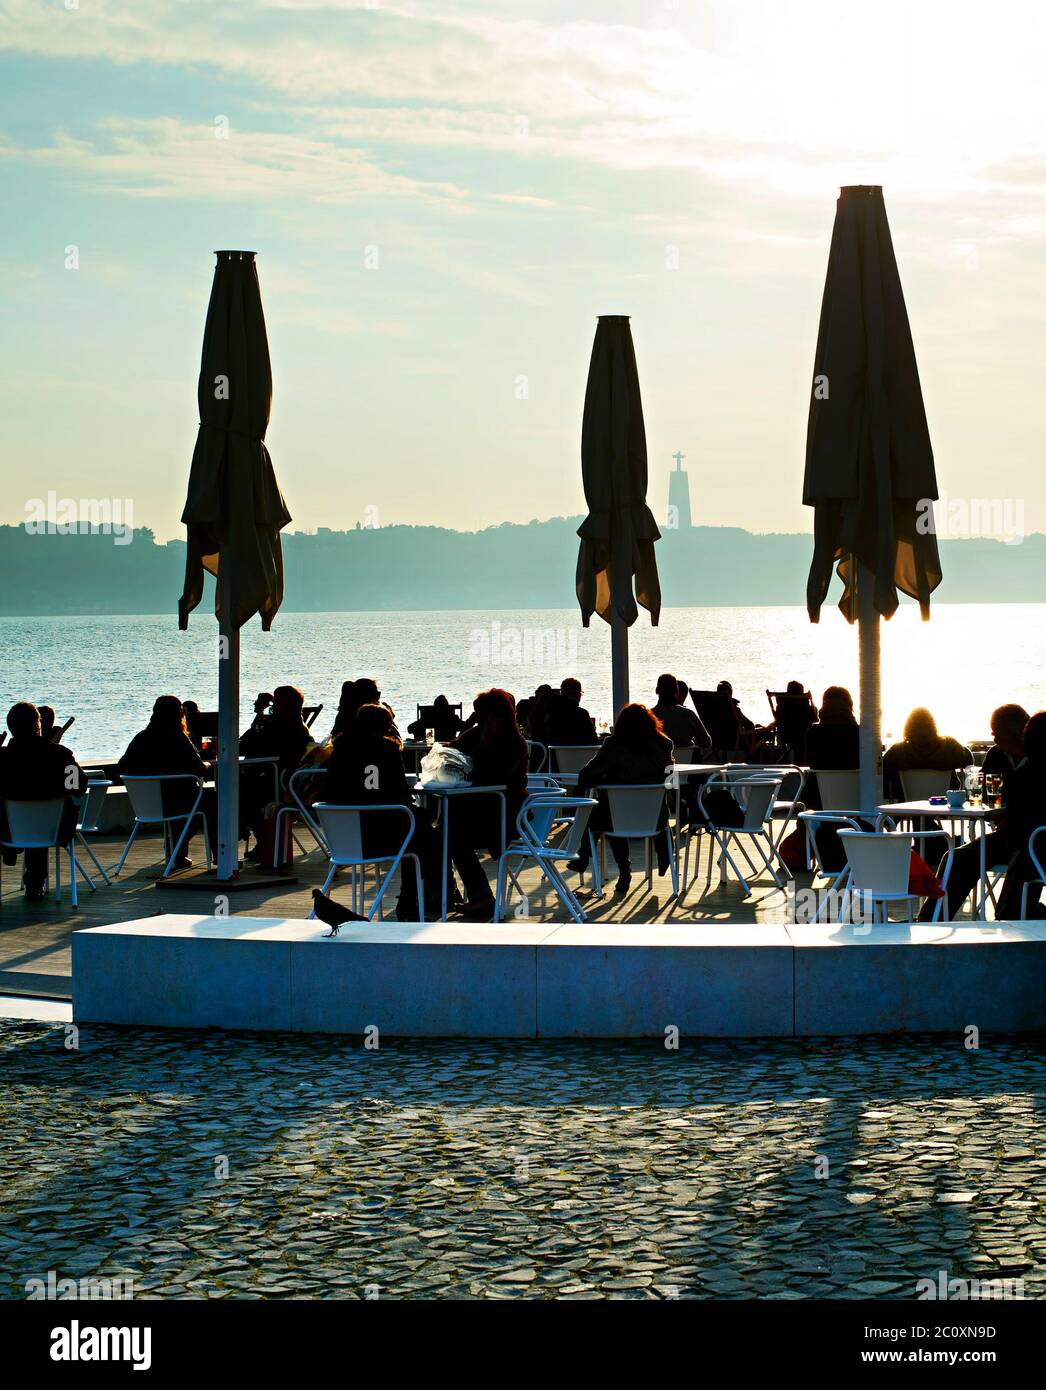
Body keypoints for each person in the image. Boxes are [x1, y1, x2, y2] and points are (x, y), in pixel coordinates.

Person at [320, 702, 440, 919]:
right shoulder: (387, 750)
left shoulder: (339, 751)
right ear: (386, 726)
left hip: (345, 840)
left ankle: (416, 898)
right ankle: (415, 897)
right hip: (381, 837)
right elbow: (400, 795)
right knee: (425, 836)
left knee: (418, 831)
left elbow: (329, 791)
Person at [927, 710, 1046, 920]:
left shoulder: (1034, 767)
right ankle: (930, 918)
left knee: (1024, 860)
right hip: (1011, 834)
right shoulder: (997, 757)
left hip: (1036, 841)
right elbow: (985, 797)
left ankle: (1014, 920)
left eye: (998, 732)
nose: (994, 738)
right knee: (958, 858)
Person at [568, 703, 674, 896]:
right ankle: (585, 856)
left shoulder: (614, 745)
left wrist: (607, 778)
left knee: (601, 814)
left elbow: (586, 775)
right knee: (608, 812)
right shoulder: (664, 745)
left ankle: (619, 868)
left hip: (617, 817)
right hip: (655, 818)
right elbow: (670, 781)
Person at [446, 688, 529, 917]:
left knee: (451, 836)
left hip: (503, 815)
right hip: (479, 811)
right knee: (443, 833)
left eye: (483, 715)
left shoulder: (515, 744)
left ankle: (480, 897)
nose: (481, 720)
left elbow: (493, 777)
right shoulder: (474, 735)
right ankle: (449, 892)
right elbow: (452, 755)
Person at [0, 701, 86, 901]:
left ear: (10, 727)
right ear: (38, 725)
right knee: (40, 815)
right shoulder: (61, 755)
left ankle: (9, 847)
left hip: (8, 829)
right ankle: (34, 884)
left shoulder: (2, 759)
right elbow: (78, 785)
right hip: (55, 829)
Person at [118, 696, 216, 868]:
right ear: (179, 714)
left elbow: (122, 766)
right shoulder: (177, 737)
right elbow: (199, 769)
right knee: (214, 802)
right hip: (177, 801)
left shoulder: (141, 738)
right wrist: (210, 764)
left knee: (192, 802)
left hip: (148, 805)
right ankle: (220, 856)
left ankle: (177, 852)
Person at [239, 685, 314, 847]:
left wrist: (256, 727)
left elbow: (245, 747)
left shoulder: (285, 729)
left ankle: (256, 838)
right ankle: (254, 835)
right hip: (282, 781)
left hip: (278, 783)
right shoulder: (293, 726)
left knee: (239, 789)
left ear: (290, 706)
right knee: (241, 786)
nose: (273, 707)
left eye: (277, 703)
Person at [883, 708, 973, 800]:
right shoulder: (950, 746)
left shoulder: (897, 751)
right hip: (945, 809)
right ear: (933, 726)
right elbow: (969, 760)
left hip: (907, 810)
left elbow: (881, 772)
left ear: (908, 727)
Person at [804, 686, 860, 771]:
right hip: (855, 783)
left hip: (821, 783)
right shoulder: (859, 732)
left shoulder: (812, 733)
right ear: (849, 705)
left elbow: (808, 762)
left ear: (824, 704)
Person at [651, 673, 710, 751]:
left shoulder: (648, 716)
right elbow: (706, 742)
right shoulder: (688, 714)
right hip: (686, 761)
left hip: (658, 761)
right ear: (676, 691)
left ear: (657, 690)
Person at [536, 677, 596, 748]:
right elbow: (593, 740)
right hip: (579, 756)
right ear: (578, 694)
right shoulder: (582, 714)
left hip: (552, 755)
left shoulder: (549, 711)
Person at [982, 704, 1030, 780]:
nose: (995, 740)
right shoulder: (994, 755)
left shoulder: (1038, 757)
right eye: (994, 734)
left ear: (1016, 731)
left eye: (999, 733)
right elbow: (983, 788)